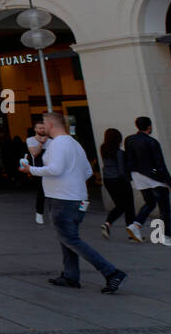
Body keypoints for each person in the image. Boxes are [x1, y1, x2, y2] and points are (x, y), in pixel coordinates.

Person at [22, 111, 127, 291]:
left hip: (63, 198)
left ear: (51, 125)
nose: (42, 128)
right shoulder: (74, 144)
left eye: (44, 124)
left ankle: (111, 272)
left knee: (70, 238)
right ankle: (71, 276)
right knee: (67, 238)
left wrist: (31, 169)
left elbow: (55, 169)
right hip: (77, 197)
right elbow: (87, 171)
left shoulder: (59, 144)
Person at [124, 116, 171, 247]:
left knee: (150, 202)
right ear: (149, 127)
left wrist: (129, 176)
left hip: (137, 175)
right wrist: (170, 182)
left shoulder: (129, 140)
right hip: (153, 177)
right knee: (164, 208)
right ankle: (166, 236)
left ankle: (136, 225)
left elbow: (128, 159)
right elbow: (160, 163)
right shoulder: (152, 142)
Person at [98, 128, 134, 240]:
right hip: (120, 180)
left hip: (108, 180)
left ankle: (108, 223)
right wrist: (129, 179)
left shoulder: (103, 149)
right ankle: (131, 231)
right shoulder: (119, 153)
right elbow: (122, 170)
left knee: (120, 205)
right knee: (129, 206)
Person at [27, 120, 49, 224]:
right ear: (35, 129)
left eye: (43, 128)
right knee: (41, 192)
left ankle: (54, 214)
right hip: (38, 170)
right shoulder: (30, 140)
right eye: (39, 128)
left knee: (53, 193)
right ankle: (39, 213)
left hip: (50, 168)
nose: (41, 130)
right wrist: (41, 143)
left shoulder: (51, 141)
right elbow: (35, 153)